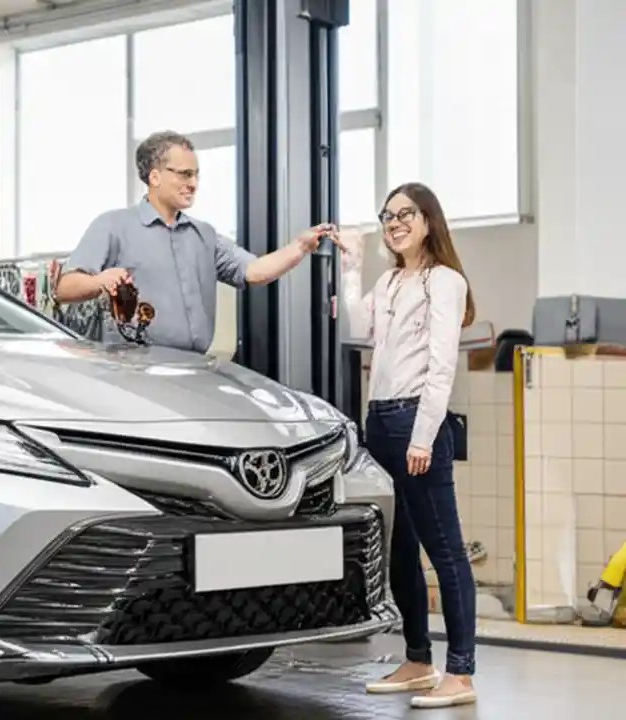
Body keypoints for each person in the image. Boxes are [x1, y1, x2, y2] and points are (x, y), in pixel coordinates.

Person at [333, 182, 478, 709]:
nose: (394, 223)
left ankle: (460, 672)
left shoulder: (445, 281)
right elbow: (354, 329)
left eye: (405, 214)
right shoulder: (392, 281)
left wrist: (422, 436)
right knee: (399, 551)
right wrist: (351, 269)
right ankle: (419, 660)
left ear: (428, 220)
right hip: (379, 419)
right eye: (387, 215)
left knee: (446, 550)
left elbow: (443, 367)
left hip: (418, 420)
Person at [55, 130, 332, 353]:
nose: (194, 183)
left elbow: (254, 271)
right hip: (133, 374)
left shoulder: (204, 235)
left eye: (196, 174)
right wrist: (99, 281)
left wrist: (300, 247)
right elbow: (64, 288)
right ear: (155, 176)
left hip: (194, 370)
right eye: (185, 174)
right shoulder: (113, 225)